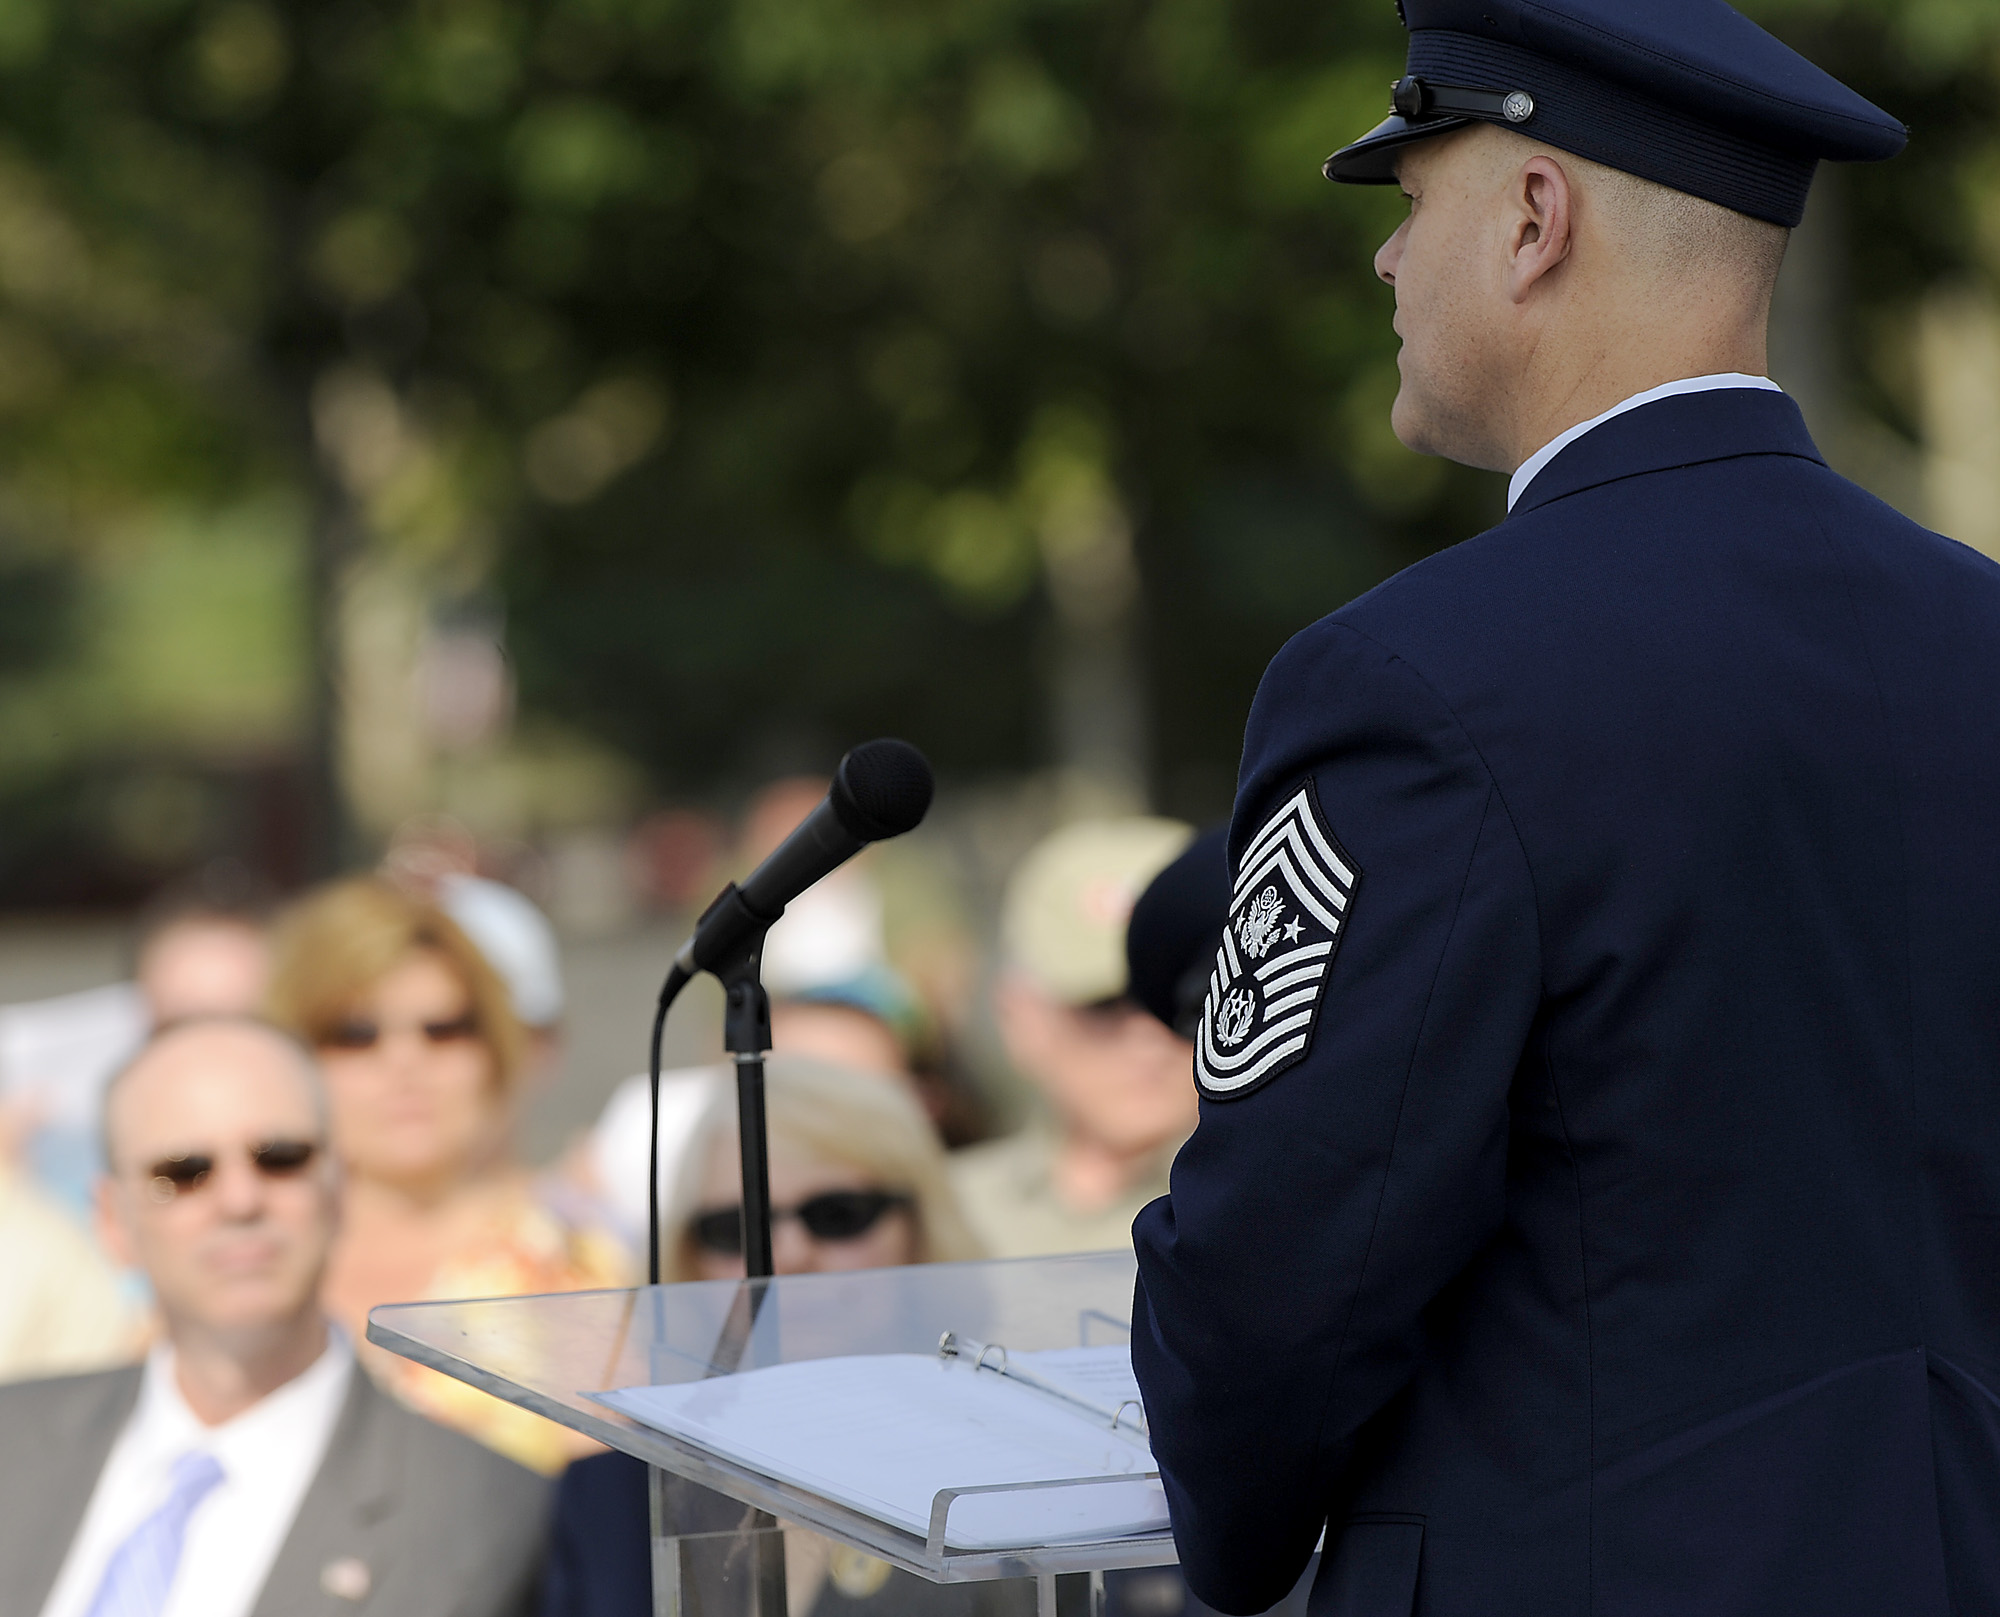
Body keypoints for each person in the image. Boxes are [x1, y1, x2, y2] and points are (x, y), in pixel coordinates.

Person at [1131, 3, 2000, 1614]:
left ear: (1535, 220)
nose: (1387, 269)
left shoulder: (1413, 679)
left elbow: (1281, 1268)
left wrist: (1232, 1529)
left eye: (1411, 208)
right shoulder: (1979, 631)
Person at [0, 1017, 547, 1617]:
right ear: (111, 1218)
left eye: (281, 1159)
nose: (240, 1200)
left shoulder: (485, 1511)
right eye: (183, 1172)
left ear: (340, 1188)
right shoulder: (14, 1437)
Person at [539, 1054, 983, 1617]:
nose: (790, 1255)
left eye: (837, 1215)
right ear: (688, 1259)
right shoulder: (612, 1497)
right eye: (738, 1228)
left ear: (922, 1228)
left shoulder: (1025, 1477)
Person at [266, 877, 629, 1474]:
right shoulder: (238, 1256)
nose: (404, 1062)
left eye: (445, 1029)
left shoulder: (580, 1272)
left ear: (497, 1049)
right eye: (357, 1034)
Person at [952, 818, 1195, 1258]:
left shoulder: (1291, 1209)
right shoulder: (937, 1212)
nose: (1149, 1038)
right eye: (1102, 1004)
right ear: (1018, 1017)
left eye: (1181, 1000)